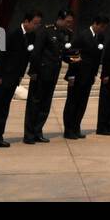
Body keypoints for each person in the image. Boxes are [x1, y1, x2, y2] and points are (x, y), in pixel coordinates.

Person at [0, 10, 42, 149]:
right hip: (1, 78)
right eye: (34, 23)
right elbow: (0, 56)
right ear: (26, 21)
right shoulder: (9, 34)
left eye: (38, 24)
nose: (36, 26)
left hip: (13, 79)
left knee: (3, 109)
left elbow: (25, 58)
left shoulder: (30, 36)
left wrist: (20, 75)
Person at [24, 8, 74, 143]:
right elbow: (36, 52)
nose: (70, 25)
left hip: (53, 74)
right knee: (34, 103)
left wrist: (76, 59)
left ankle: (38, 131)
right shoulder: (46, 30)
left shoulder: (67, 34)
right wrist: (33, 71)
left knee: (45, 104)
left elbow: (65, 54)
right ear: (60, 19)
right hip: (40, 73)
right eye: (68, 22)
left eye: (71, 22)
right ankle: (29, 134)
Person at [62, 14, 108, 139]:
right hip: (77, 75)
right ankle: (68, 129)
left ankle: (76, 127)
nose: (102, 29)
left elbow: (97, 57)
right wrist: (73, 72)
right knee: (72, 103)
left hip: (88, 76)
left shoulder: (100, 37)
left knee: (82, 103)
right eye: (101, 26)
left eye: (104, 27)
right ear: (95, 23)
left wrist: (94, 74)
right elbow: (69, 53)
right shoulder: (82, 35)